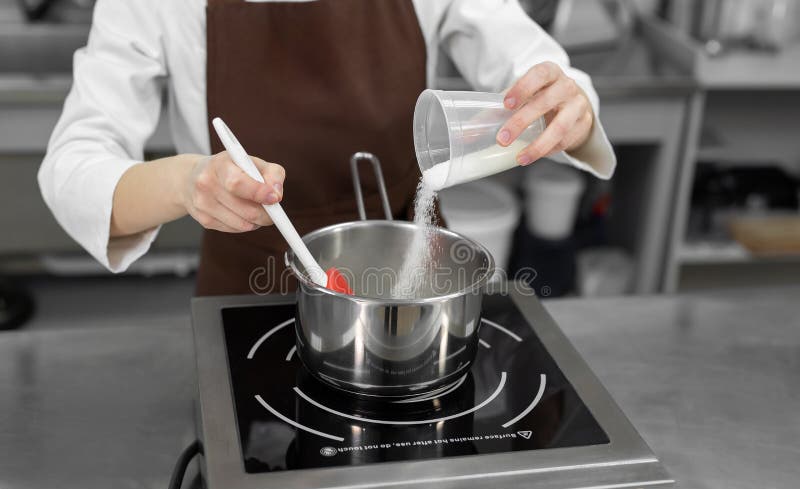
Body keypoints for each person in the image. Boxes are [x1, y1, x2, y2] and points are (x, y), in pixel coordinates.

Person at [39, 0, 616, 296]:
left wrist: (568, 105)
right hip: (248, 285)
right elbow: (74, 163)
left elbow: (539, 72)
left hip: (409, 277)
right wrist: (185, 183)